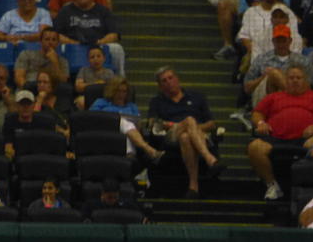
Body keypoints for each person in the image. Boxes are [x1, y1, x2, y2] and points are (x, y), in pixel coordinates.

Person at [248, 64, 313, 199]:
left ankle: (311, 188)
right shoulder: (274, 97)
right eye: (291, 78)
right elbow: (257, 114)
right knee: (254, 147)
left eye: (298, 78)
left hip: (305, 140)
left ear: (306, 81)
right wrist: (261, 123)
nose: (295, 80)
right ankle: (272, 185)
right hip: (274, 138)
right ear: (285, 81)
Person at [148, 67, 220, 198]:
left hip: (197, 134)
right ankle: (209, 158)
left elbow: (211, 123)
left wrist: (194, 129)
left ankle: (193, 186)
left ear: (177, 79)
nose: (169, 82)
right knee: (189, 120)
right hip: (170, 134)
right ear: (160, 86)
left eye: (171, 78)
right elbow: (153, 122)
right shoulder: (157, 101)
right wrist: (171, 125)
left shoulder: (197, 97)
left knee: (186, 137)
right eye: (164, 81)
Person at [54, 0, 125, 76]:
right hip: (73, 46)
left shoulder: (103, 10)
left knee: (117, 48)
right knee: (59, 48)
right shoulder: (65, 11)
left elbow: (114, 34)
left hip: (99, 46)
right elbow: (56, 35)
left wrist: (100, 43)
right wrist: (73, 43)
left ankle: (119, 79)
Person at [90, 77, 164, 162]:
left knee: (128, 127)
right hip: (106, 130)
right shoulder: (101, 102)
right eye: (118, 91)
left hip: (128, 134)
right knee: (122, 121)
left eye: (124, 91)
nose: (121, 94)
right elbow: (92, 118)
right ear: (112, 90)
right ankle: (148, 150)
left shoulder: (132, 106)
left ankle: (130, 156)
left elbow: (138, 126)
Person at [74, 44, 115, 108]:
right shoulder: (83, 70)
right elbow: (78, 87)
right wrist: (96, 84)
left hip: (104, 97)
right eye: (92, 57)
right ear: (88, 60)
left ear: (104, 58)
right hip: (86, 96)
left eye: (98, 56)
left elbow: (113, 89)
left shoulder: (109, 72)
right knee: (81, 102)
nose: (95, 59)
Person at [33, 68, 71, 137]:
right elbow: (34, 121)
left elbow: (71, 118)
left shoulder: (63, 100)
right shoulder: (32, 102)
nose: (41, 85)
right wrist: (39, 101)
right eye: (39, 82)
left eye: (45, 82)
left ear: (53, 85)